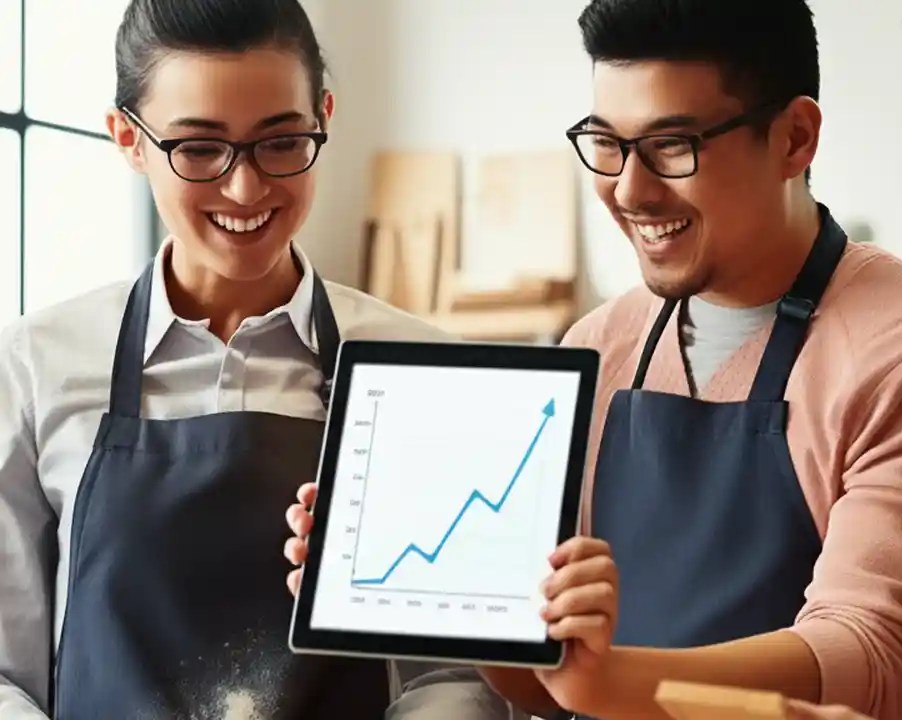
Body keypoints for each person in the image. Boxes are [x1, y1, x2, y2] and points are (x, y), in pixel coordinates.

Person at [282, 1, 902, 718]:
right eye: (608, 143)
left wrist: (613, 682)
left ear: (796, 137)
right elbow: (548, 684)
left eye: (673, 146)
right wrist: (440, 598)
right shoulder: (598, 348)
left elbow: (866, 664)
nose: (629, 191)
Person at [0, 1, 518, 718]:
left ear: (324, 116)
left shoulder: (419, 366)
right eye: (200, 149)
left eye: (280, 142)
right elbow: (6, 676)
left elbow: (454, 678)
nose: (246, 189)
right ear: (127, 138)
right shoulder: (33, 366)